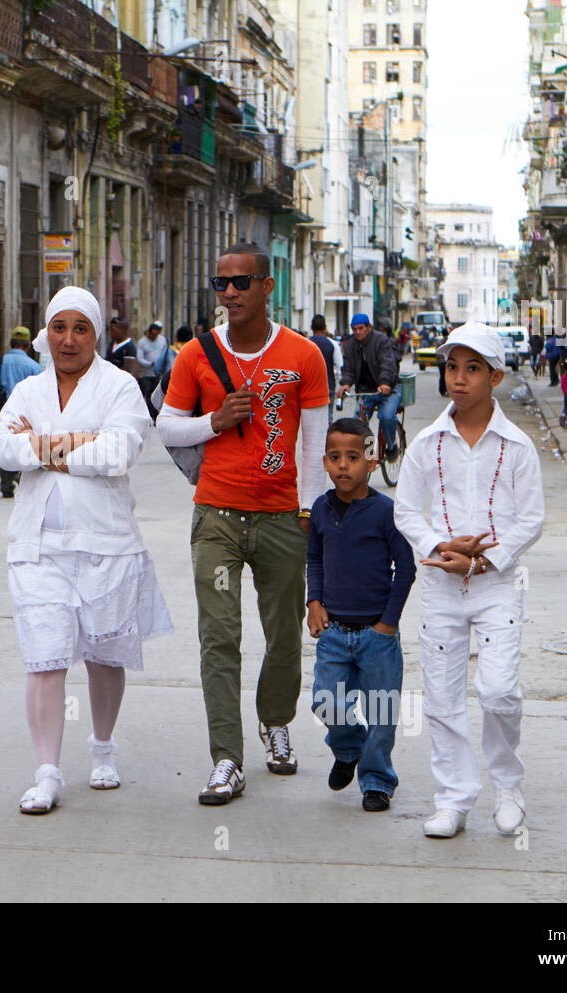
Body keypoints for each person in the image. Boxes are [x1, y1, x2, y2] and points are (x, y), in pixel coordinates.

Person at [156, 241, 330, 804]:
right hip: (218, 518)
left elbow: (314, 445)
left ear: (266, 285)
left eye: (240, 283)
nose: (228, 293)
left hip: (283, 517)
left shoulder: (304, 355)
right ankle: (226, 758)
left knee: (283, 635)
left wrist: (310, 512)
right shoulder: (194, 356)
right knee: (219, 637)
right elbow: (166, 428)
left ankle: (275, 722)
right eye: (220, 284)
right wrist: (215, 420)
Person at [0, 286, 173, 815]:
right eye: (59, 327)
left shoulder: (120, 387)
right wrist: (78, 440)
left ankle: (102, 748)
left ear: (96, 335)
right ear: (46, 333)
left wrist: (44, 446)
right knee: (43, 656)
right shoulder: (28, 389)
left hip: (106, 545)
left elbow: (121, 451)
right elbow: (4, 447)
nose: (68, 339)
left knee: (103, 652)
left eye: (81, 328)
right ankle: (46, 771)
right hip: (38, 547)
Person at [393, 323, 545, 840]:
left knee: (499, 690)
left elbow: (531, 519)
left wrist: (483, 561)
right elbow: (407, 510)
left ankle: (507, 785)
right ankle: (453, 800)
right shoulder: (426, 442)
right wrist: (440, 546)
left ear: (496, 376)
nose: (459, 379)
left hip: (496, 585)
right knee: (441, 697)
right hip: (440, 583)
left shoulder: (518, 445)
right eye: (452, 367)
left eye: (472, 368)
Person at [307, 416, 416, 812]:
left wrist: (387, 622)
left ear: (371, 461)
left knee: (382, 711)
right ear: (324, 462)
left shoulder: (387, 512)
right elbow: (315, 559)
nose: (342, 465)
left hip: (377, 636)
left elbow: (406, 568)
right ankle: (348, 748)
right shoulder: (320, 509)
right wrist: (313, 601)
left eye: (352, 457)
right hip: (334, 632)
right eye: (334, 457)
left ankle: (377, 780)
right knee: (325, 702)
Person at [0, 326, 43, 498]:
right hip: (27, 415)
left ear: (10, 343)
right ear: (28, 345)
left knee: (7, 442)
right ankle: (23, 476)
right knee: (26, 444)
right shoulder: (34, 367)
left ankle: (6, 484)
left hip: (3, 411)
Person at [338, 313, 401, 462]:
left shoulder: (381, 340)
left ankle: (391, 447)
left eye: (361, 328)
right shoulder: (350, 345)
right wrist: (345, 384)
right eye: (354, 329)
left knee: (386, 417)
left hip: (387, 388)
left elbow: (388, 364)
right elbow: (348, 369)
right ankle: (367, 454)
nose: (358, 332)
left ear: (369, 327)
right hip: (366, 390)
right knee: (357, 422)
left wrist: (385, 383)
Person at [136, 322, 168, 416]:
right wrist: (150, 364)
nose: (154, 337)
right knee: (148, 394)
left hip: (159, 374)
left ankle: (156, 414)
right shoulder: (142, 342)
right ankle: (150, 414)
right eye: (152, 335)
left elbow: (165, 353)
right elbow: (140, 357)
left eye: (156, 335)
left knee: (158, 395)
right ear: (149, 332)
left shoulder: (162, 340)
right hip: (146, 374)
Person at [309, 314, 338, 398]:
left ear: (311, 327)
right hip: (328, 386)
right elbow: (340, 366)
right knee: (329, 411)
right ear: (325, 327)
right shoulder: (333, 344)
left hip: (310, 388)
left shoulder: (305, 343)